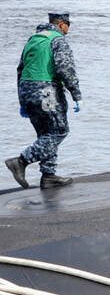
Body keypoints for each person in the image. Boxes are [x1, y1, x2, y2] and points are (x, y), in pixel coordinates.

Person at [6, 12, 82, 190]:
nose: (67, 30)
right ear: (62, 24)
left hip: (27, 90)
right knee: (59, 131)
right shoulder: (57, 40)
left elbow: (20, 70)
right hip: (46, 91)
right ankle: (21, 161)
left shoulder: (33, 40)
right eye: (68, 26)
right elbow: (66, 69)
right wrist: (76, 94)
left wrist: (22, 102)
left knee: (46, 133)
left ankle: (48, 176)